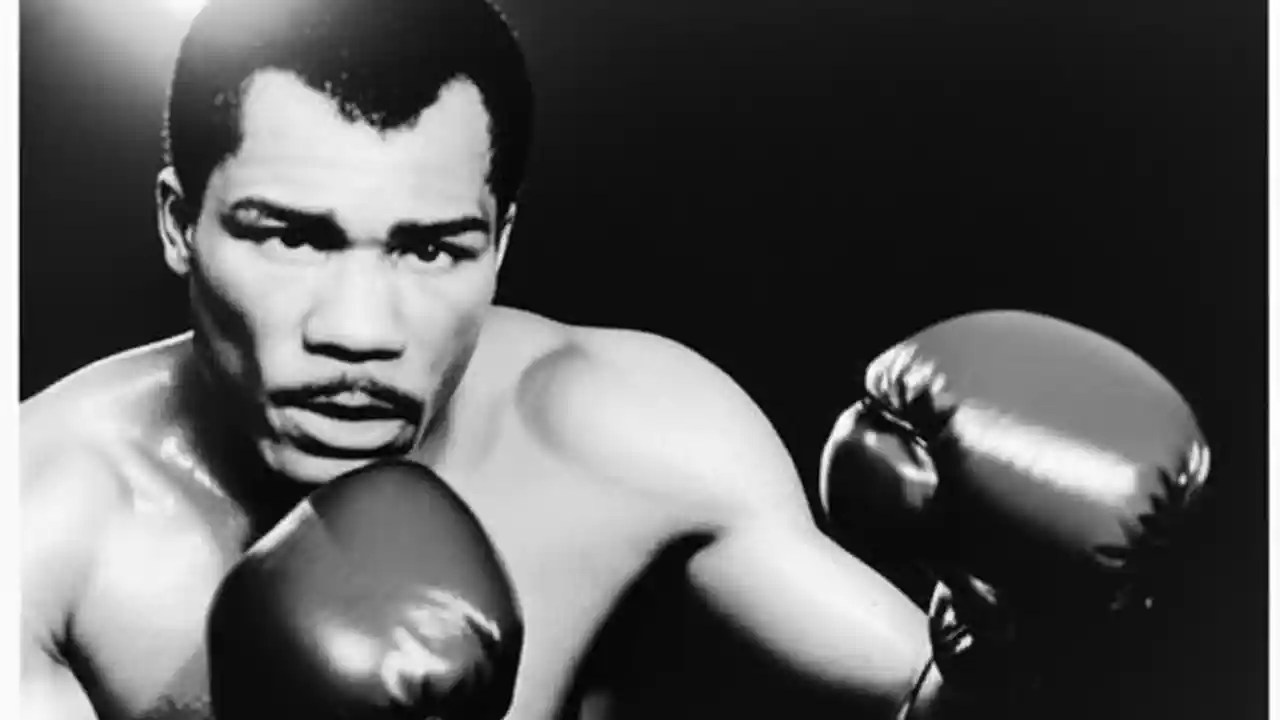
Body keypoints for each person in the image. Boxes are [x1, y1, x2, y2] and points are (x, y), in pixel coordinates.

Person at [19, 0, 1209, 718]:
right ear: (180, 220)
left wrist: (1009, 642)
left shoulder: (622, 430)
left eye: (432, 248)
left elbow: (920, 707)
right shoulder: (40, 524)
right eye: (290, 236)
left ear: (503, 242)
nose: (359, 326)